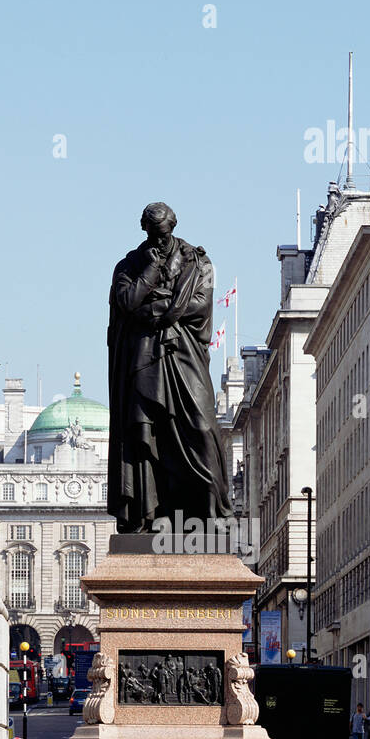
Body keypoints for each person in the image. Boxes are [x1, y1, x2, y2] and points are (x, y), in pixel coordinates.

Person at [107, 203, 232, 534]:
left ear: (172, 228)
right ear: (145, 230)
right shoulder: (131, 264)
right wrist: (150, 274)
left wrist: (158, 308)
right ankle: (150, 515)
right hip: (143, 359)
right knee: (145, 435)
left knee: (202, 428)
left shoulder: (197, 260)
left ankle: (210, 513)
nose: (160, 241)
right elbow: (126, 302)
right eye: (153, 234)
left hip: (183, 352)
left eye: (164, 234)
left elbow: (199, 304)